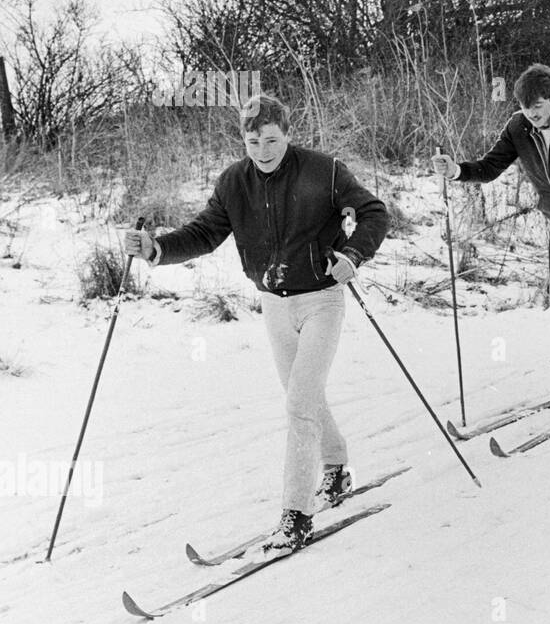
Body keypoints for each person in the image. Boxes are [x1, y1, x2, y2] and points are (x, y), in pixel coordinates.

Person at [124, 94, 389, 551]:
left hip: (321, 299)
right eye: (253, 141)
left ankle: (296, 516)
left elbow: (374, 213)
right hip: (274, 303)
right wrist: (155, 248)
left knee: (299, 404)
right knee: (301, 395)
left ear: (287, 135)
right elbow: (205, 233)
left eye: (271, 139)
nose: (263, 150)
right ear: (242, 140)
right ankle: (336, 467)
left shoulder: (323, 170)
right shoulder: (234, 182)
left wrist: (352, 254)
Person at [431, 63, 550, 410]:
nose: (531, 116)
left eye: (537, 108)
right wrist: (456, 170)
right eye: (524, 109)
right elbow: (489, 167)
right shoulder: (518, 128)